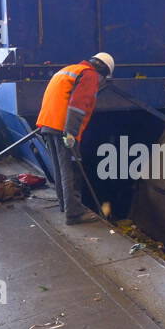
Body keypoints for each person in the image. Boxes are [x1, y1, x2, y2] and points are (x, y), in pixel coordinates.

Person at [37, 52, 115, 225]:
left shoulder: (70, 69)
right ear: (101, 69)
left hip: (48, 124)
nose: (101, 82)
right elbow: (78, 105)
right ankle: (74, 213)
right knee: (71, 170)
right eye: (104, 77)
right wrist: (71, 132)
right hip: (63, 128)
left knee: (59, 168)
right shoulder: (90, 75)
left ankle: (65, 205)